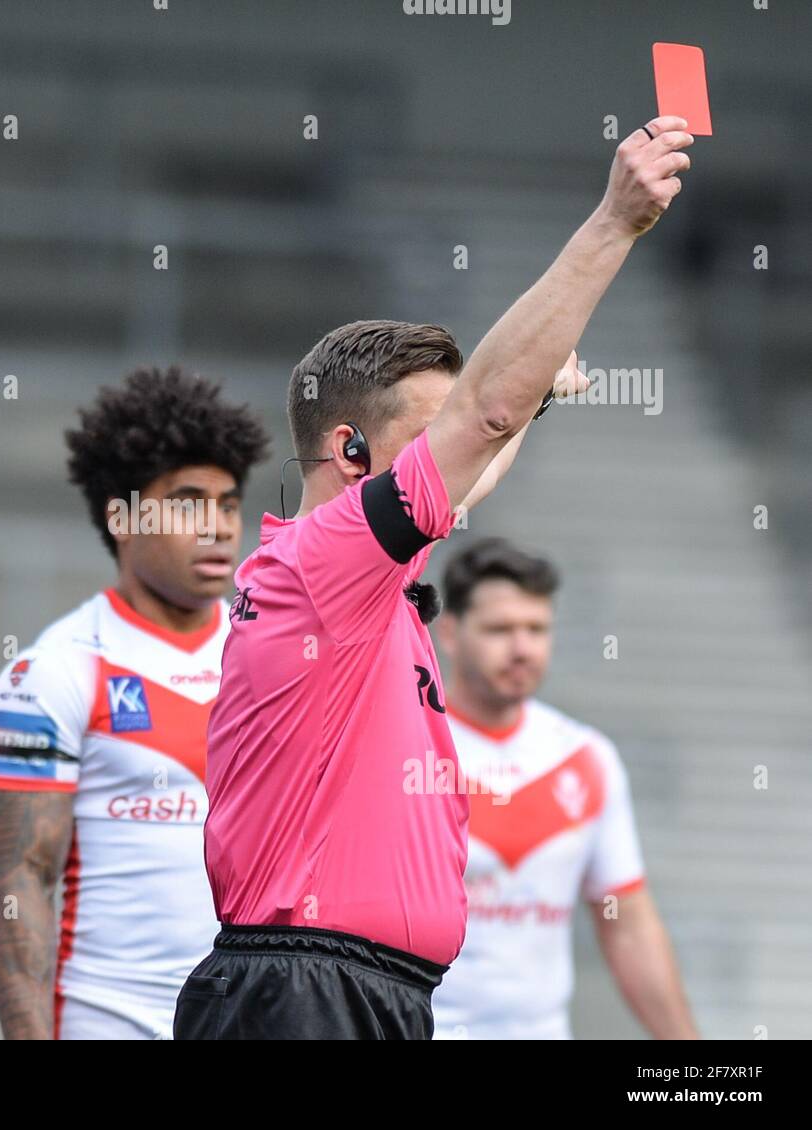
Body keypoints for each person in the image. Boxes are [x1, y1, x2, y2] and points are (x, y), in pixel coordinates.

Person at [175, 116, 695, 1040]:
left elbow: (481, 452)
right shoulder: (324, 561)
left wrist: (532, 395)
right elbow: (483, 423)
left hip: (361, 992)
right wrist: (614, 222)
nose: (445, 470)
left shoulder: (359, 570)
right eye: (425, 440)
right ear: (348, 449)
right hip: (305, 995)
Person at [0, 367, 269, 1039]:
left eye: (229, 503)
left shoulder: (272, 659)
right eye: (189, 501)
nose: (220, 526)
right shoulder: (53, 670)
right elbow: (20, 883)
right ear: (123, 515)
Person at [431, 538, 698, 1039]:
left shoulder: (585, 756)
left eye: (536, 629)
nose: (521, 648)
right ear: (449, 633)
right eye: (499, 629)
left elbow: (628, 925)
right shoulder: (405, 748)